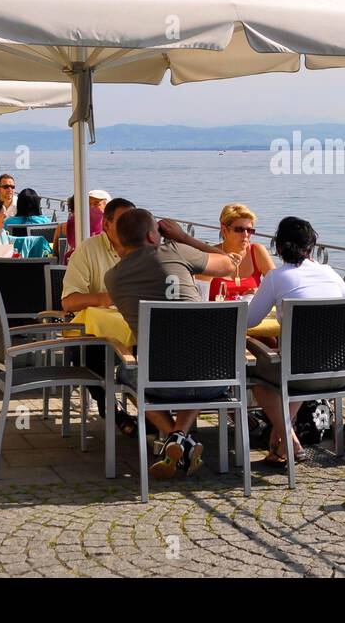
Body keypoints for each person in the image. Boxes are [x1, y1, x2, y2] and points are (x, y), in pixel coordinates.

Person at [104, 208, 238, 479]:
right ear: (153, 236)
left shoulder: (113, 278)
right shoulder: (175, 251)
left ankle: (173, 439)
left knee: (125, 371)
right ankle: (179, 438)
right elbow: (229, 264)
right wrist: (181, 237)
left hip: (158, 382)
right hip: (213, 378)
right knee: (196, 363)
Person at [246, 217, 345, 466]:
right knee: (297, 367)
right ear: (311, 247)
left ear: (278, 246)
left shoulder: (276, 277)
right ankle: (282, 443)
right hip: (343, 372)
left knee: (259, 382)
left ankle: (290, 441)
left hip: (301, 374)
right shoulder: (328, 272)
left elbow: (249, 321)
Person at [59, 197, 133, 423]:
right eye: (123, 221)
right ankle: (111, 409)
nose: (129, 226)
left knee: (154, 349)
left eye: (133, 220)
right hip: (92, 332)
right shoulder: (88, 250)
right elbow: (68, 303)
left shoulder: (144, 250)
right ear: (107, 224)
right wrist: (104, 298)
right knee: (92, 349)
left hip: (133, 325)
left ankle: (159, 415)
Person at [205, 203, 275, 301]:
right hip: (218, 314)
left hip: (250, 314)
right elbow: (199, 295)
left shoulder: (257, 252)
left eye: (250, 230)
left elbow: (277, 287)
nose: (246, 234)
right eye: (239, 230)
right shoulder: (211, 256)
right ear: (224, 230)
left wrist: (259, 291)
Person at [60, 189, 108, 262]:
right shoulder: (74, 224)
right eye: (88, 204)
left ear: (107, 206)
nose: (91, 207)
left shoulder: (112, 229)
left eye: (96, 204)